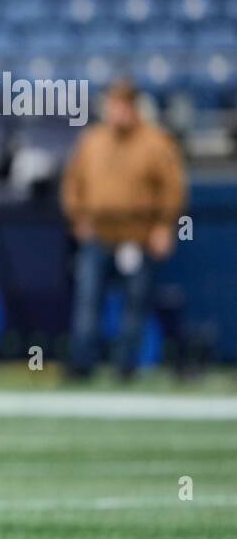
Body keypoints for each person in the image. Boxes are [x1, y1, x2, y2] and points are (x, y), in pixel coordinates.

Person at [61, 78, 186, 381]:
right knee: (88, 303)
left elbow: (173, 188)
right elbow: (73, 182)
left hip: (138, 237)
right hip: (98, 236)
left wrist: (163, 226)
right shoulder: (92, 141)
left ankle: (125, 366)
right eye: (113, 105)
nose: (117, 112)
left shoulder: (156, 142)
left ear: (134, 108)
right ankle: (81, 364)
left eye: (123, 105)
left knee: (135, 306)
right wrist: (78, 217)